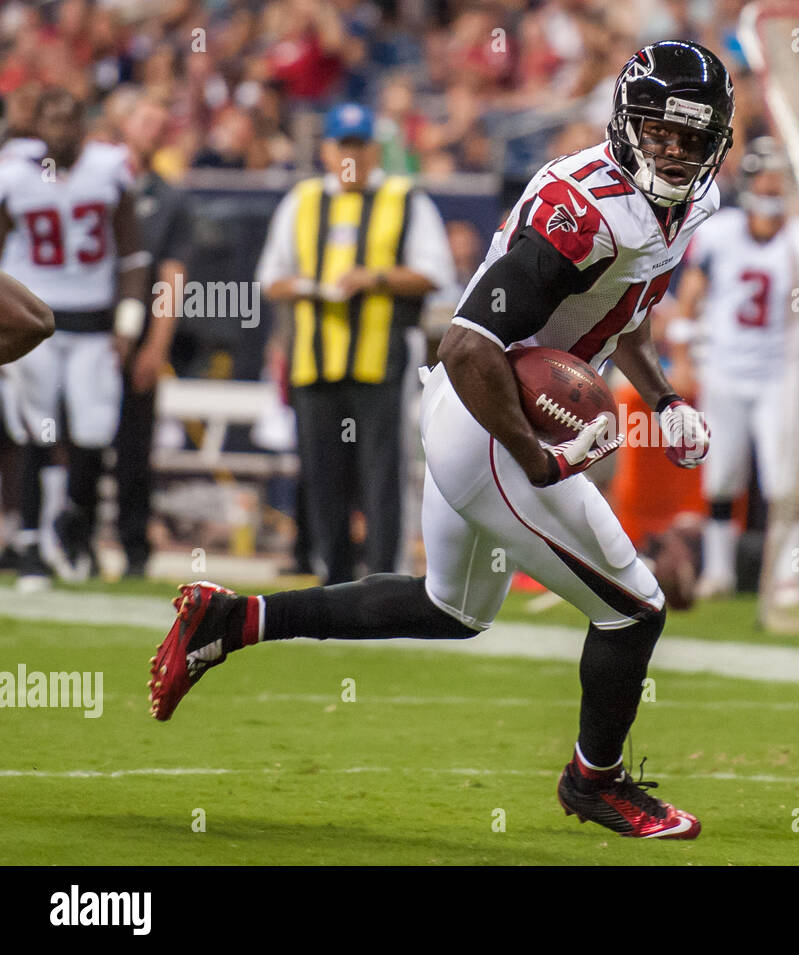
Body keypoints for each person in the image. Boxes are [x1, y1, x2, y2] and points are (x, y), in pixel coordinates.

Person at [150, 40, 732, 840]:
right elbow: (466, 343)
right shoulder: (588, 211)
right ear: (626, 124)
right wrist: (540, 458)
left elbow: (625, 311)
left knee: (451, 609)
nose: (672, 150)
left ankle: (234, 620)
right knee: (635, 609)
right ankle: (595, 781)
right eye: (658, 132)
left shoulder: (681, 204)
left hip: (481, 410)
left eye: (690, 138)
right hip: (490, 416)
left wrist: (662, 397)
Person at [256, 102, 454, 585]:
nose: (351, 156)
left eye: (359, 146)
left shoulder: (405, 199)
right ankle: (334, 576)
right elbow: (270, 279)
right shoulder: (302, 201)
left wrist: (374, 278)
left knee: (382, 475)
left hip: (380, 359)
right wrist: (308, 285)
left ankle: (385, 577)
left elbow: (436, 276)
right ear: (325, 151)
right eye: (342, 146)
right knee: (323, 476)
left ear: (373, 149)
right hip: (314, 361)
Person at [0, 89, 148, 589]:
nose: (61, 129)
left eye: (69, 119)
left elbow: (131, 254)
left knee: (91, 434)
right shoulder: (16, 173)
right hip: (30, 319)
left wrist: (129, 325)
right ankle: (28, 543)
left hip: (92, 321)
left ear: (83, 125)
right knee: (35, 432)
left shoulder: (108, 168)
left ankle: (72, 528)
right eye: (52, 119)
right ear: (38, 123)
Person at [673, 137, 799, 605]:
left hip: (781, 373)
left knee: (783, 479)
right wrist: (682, 358)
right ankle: (718, 572)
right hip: (724, 368)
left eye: (779, 175)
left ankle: (788, 575)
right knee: (720, 476)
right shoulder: (721, 232)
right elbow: (688, 301)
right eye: (765, 174)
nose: (772, 184)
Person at [114, 91, 193, 579]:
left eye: (160, 125)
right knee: (67, 442)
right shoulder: (96, 185)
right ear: (122, 121)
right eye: (145, 119)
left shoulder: (171, 198)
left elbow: (172, 276)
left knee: (133, 446)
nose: (152, 131)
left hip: (140, 332)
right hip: (85, 330)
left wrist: (157, 344)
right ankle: (61, 538)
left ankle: (132, 546)